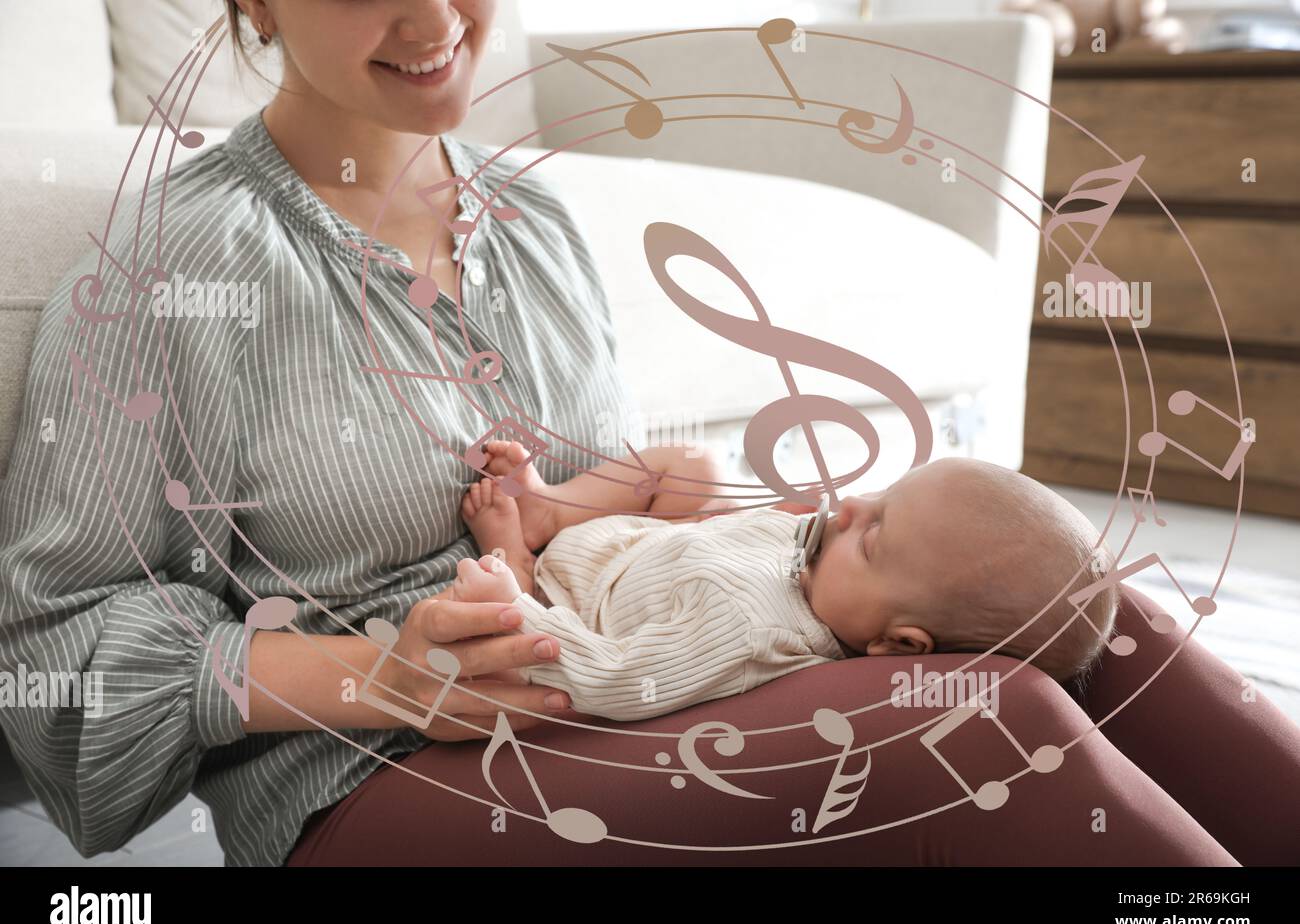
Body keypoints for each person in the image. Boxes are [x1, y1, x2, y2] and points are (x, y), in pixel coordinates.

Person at [2, 0, 1297, 868]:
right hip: (376, 784)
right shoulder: (171, 269)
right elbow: (49, 656)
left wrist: (651, 503)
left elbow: (588, 523)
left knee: (1077, 606)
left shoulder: (534, 232)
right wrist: (381, 675)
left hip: (636, 678)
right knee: (986, 722)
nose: (437, 19)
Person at [454, 444, 1116, 721]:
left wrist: (521, 607)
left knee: (512, 610)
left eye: (873, 534)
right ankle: (556, 504)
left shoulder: (747, 636)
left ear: (899, 646)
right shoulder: (821, 562)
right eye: (882, 495)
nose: (850, 508)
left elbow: (611, 677)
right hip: (631, 543)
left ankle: (518, 551)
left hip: (574, 596)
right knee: (695, 462)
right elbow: (715, 528)